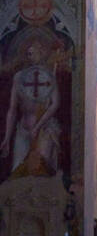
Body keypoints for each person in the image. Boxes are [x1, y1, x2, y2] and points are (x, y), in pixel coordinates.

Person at [1, 37, 61, 177]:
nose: (31, 56)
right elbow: (12, 109)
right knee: (18, 172)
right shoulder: (19, 77)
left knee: (42, 171)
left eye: (35, 52)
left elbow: (55, 104)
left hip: (44, 130)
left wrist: (37, 127)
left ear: (42, 53)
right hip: (23, 130)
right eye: (29, 53)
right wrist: (7, 138)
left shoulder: (49, 76)